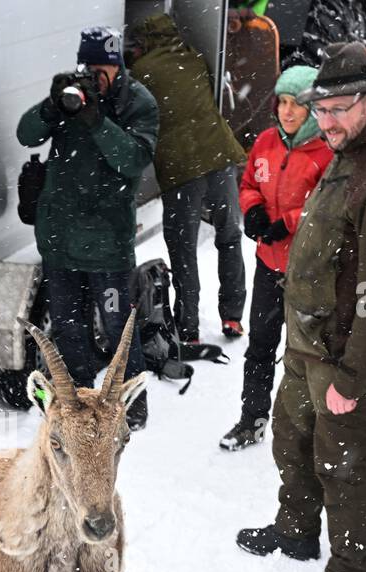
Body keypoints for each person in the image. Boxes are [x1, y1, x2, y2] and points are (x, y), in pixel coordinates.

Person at [235, 42, 366, 572]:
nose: (326, 121)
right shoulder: (349, 150)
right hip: (307, 339)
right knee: (290, 436)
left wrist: (356, 374)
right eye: (320, 109)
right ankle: (295, 529)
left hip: (345, 353)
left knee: (346, 462)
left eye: (339, 109)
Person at [17, 26, 159, 430]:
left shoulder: (138, 102)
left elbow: (133, 160)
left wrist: (98, 121)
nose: (95, 76)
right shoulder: (69, 98)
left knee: (118, 328)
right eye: (88, 67)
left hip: (108, 245)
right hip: (60, 239)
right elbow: (25, 135)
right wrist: (50, 107)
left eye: (103, 68)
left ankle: (131, 406)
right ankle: (79, 400)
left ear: (118, 67)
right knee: (67, 328)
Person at [221, 65, 332, 451]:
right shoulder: (266, 141)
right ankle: (252, 419)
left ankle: (313, 429)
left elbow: (328, 209)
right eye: (282, 102)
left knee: (309, 354)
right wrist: (251, 208)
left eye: (296, 104)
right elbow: (250, 181)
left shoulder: (327, 151)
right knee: (261, 346)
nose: (287, 111)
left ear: (314, 108)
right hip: (268, 266)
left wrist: (288, 223)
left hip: (308, 272)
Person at [125, 14, 247, 344]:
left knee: (183, 249)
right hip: (219, 156)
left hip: (181, 169)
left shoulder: (140, 72)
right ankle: (233, 316)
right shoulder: (193, 58)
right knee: (229, 236)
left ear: (144, 43)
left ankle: (189, 327)